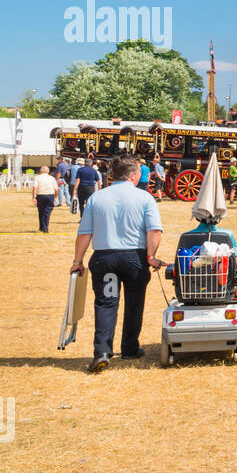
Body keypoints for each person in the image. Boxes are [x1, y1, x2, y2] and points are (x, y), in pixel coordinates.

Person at [69, 153, 166, 373]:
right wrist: (151, 256)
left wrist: (78, 260)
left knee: (106, 303)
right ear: (133, 176)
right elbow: (154, 231)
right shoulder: (144, 198)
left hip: (104, 256)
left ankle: (102, 351)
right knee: (134, 303)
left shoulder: (97, 197)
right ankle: (130, 347)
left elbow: (84, 233)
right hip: (134, 257)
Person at [32, 165, 58, 233]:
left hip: (40, 195)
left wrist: (34, 197)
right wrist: (56, 197)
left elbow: (34, 188)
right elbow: (56, 189)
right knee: (47, 212)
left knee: (41, 211)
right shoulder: (51, 178)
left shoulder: (37, 177)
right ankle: (45, 228)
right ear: (48, 171)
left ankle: (41, 227)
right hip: (50, 195)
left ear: (40, 171)